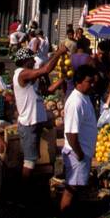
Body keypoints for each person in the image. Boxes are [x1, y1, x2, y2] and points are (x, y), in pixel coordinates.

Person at [12, 42, 64, 181]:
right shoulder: (21, 74)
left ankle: (34, 182)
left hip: (36, 121)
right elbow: (46, 70)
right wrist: (58, 53)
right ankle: (24, 189)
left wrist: (62, 80)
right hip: (28, 123)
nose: (34, 60)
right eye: (31, 59)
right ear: (25, 61)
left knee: (33, 159)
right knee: (29, 161)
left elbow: (47, 91)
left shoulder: (31, 78)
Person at [60, 63, 99, 212]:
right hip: (77, 154)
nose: (92, 84)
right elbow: (71, 133)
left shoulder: (85, 97)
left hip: (83, 152)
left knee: (76, 188)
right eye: (89, 81)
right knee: (71, 188)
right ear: (78, 82)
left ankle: (73, 216)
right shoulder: (76, 102)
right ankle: (65, 217)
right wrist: (80, 153)